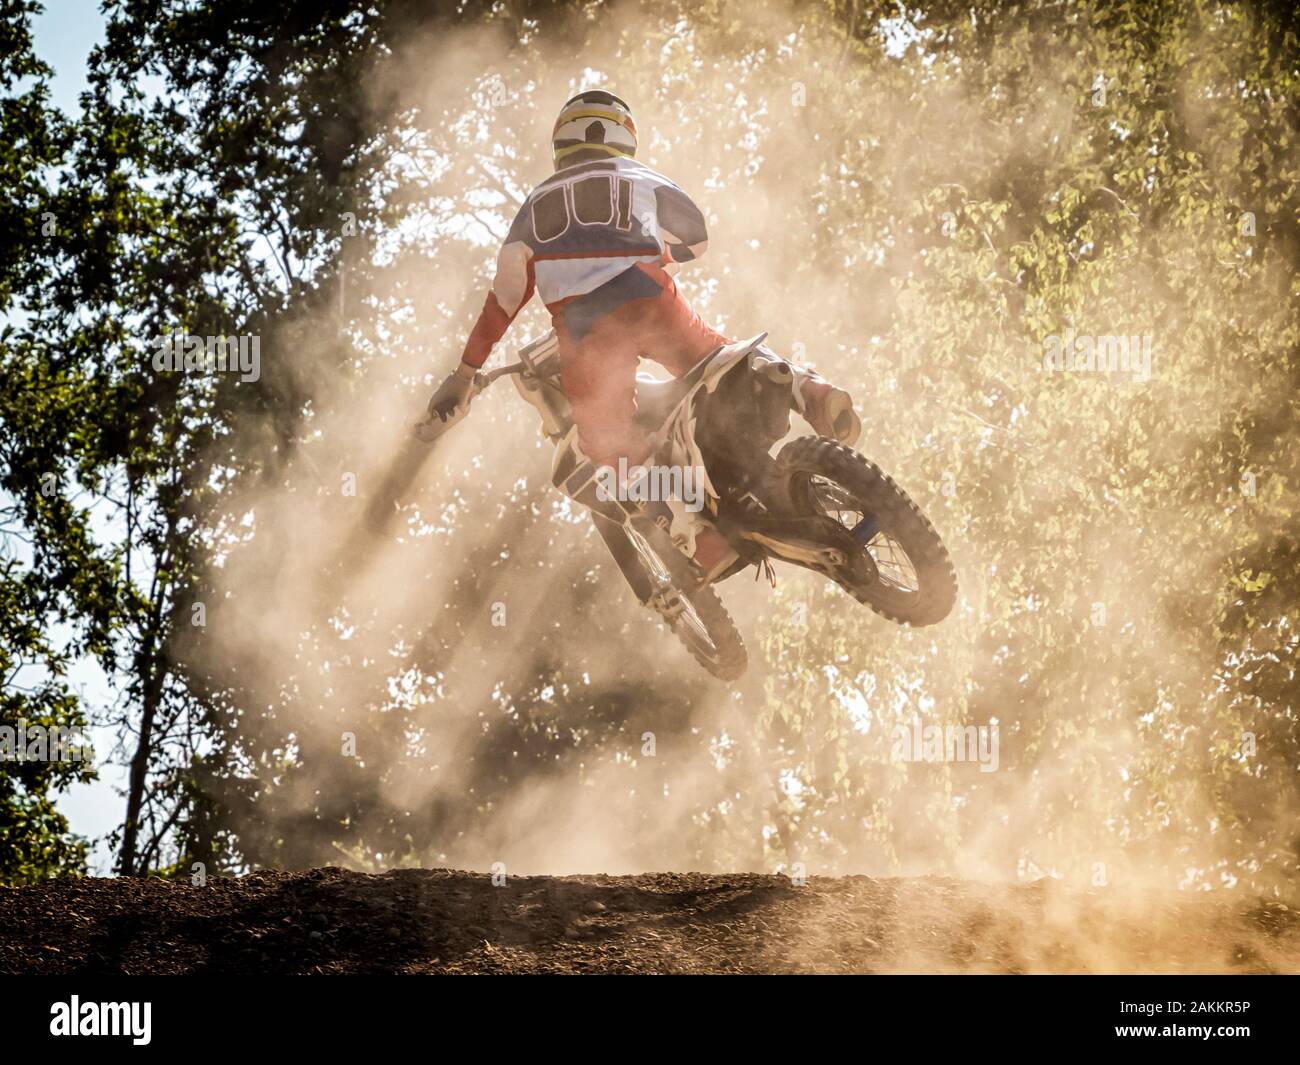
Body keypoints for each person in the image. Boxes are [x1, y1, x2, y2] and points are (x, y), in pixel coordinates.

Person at [425, 89, 859, 581]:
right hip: (649, 295)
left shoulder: (535, 204)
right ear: (623, 138)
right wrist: (651, 250)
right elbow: (696, 237)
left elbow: (504, 297)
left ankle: (700, 539)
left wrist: (465, 373)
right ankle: (812, 391)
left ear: (561, 144)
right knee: (719, 354)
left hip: (586, 328)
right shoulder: (643, 179)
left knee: (608, 447)